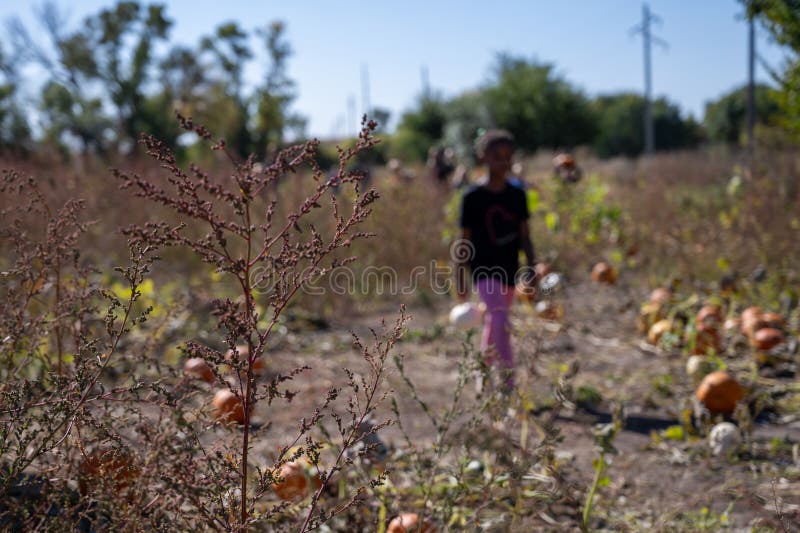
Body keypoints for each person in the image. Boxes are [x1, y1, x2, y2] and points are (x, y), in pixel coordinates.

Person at [456, 130, 536, 393]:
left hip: (509, 269)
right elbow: (464, 240)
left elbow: (525, 237)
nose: (502, 162)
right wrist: (459, 275)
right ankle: (507, 386)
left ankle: (482, 373)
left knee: (494, 322)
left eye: (507, 157)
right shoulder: (472, 198)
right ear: (483, 157)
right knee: (501, 320)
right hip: (482, 270)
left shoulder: (517, 196)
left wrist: (532, 267)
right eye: (496, 156)